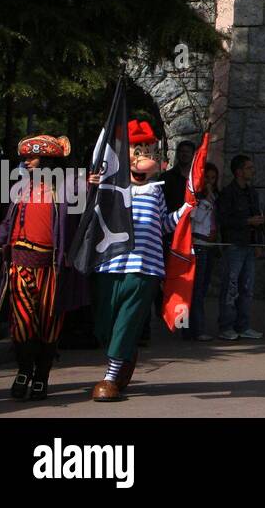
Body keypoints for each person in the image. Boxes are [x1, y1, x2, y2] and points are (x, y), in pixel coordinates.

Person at [89, 121, 191, 402]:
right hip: (108, 265)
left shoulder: (156, 190)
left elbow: (164, 225)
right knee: (104, 324)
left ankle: (110, 377)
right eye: (137, 149)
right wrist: (92, 187)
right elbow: (90, 217)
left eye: (147, 150)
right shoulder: (107, 186)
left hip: (144, 268)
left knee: (126, 322)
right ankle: (124, 355)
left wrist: (184, 210)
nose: (142, 156)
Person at [0, 135, 88, 401]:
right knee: (22, 324)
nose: (26, 162)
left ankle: (41, 375)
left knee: (48, 325)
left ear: (48, 161)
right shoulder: (20, 190)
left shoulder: (67, 190)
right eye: (25, 158)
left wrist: (90, 185)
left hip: (52, 268)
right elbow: (7, 225)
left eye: (32, 158)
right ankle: (23, 371)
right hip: (19, 263)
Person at [215, 154, 264, 341]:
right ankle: (226, 326)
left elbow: (257, 218)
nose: (252, 170)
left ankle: (243, 326)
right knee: (230, 287)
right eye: (249, 168)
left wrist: (259, 242)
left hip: (250, 244)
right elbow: (224, 220)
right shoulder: (228, 193)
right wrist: (246, 221)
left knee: (247, 287)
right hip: (234, 245)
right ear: (239, 171)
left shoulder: (252, 193)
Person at [184, 162, 220, 342]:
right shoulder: (196, 199)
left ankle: (193, 327)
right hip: (198, 245)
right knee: (196, 290)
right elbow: (196, 220)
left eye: (213, 179)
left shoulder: (213, 197)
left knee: (202, 289)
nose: (210, 182)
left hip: (209, 246)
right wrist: (208, 201)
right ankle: (195, 329)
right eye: (207, 178)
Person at [161, 140, 196, 211]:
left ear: (193, 155)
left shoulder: (196, 177)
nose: (185, 154)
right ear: (177, 154)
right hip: (172, 219)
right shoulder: (166, 177)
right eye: (182, 151)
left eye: (188, 152)